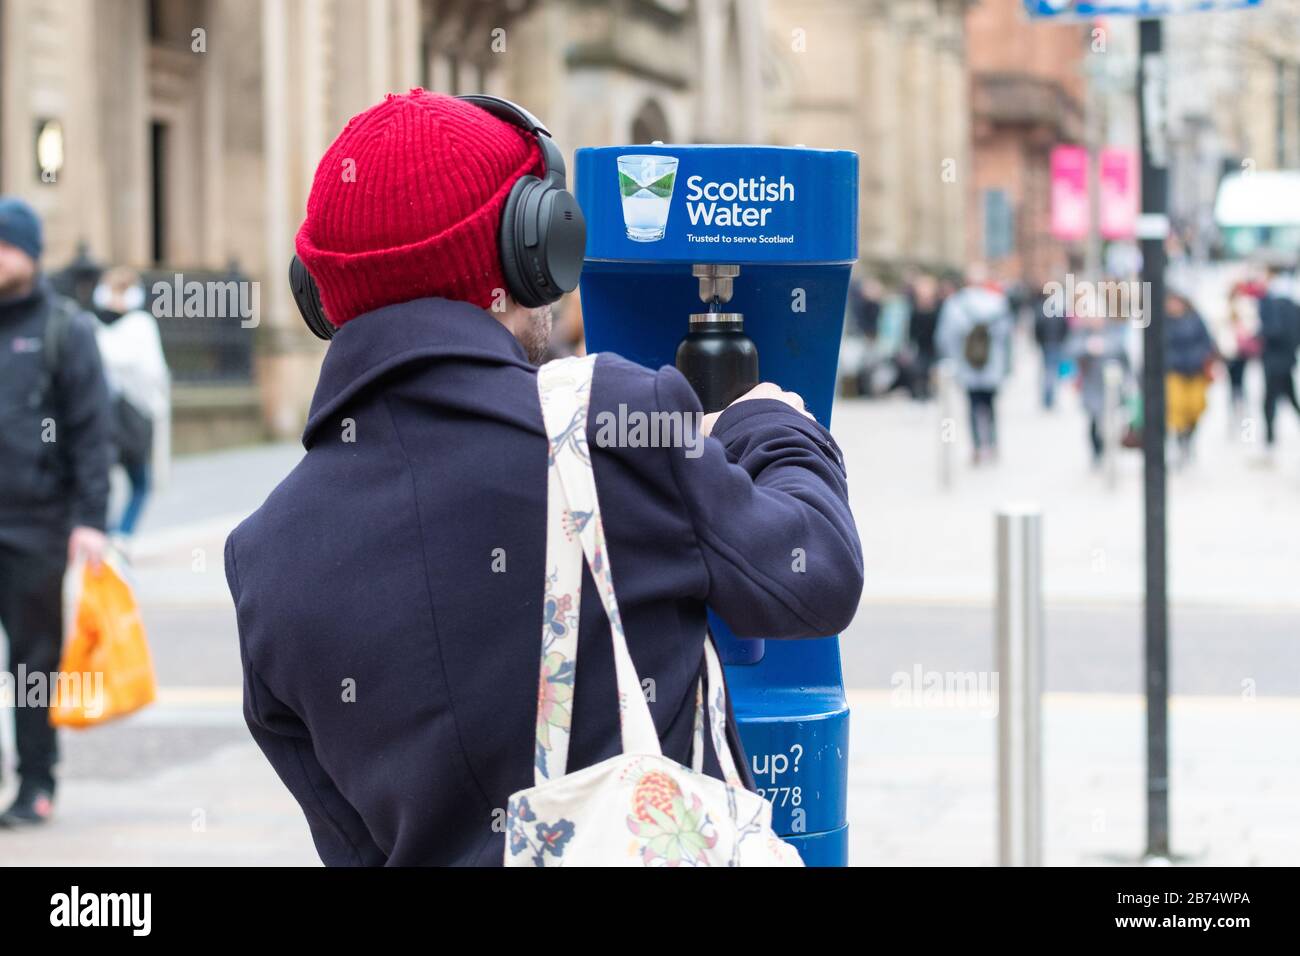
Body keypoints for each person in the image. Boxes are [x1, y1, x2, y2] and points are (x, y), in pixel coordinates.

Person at [225, 91, 864, 866]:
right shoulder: (609, 421)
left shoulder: (264, 554)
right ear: (527, 248)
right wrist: (767, 422)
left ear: (319, 291)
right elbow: (817, 575)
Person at [0, 196, 111, 827]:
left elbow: (90, 433)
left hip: (36, 526)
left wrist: (90, 519)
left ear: (31, 252)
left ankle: (36, 782)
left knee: (32, 663)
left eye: (5, 245)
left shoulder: (63, 328)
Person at [92, 266, 171, 539]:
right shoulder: (141, 325)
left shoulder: (92, 327)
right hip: (134, 418)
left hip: (100, 420)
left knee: (102, 482)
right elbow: (154, 373)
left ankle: (107, 534)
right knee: (140, 483)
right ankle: (119, 536)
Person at [936, 264, 1014, 464]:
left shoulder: (955, 303)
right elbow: (1007, 338)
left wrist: (951, 362)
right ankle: (994, 443)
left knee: (972, 406)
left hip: (967, 366)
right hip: (992, 365)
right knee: (991, 406)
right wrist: (1007, 366)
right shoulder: (998, 302)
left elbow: (945, 338)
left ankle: (978, 447)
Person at [1066, 300, 1129, 466]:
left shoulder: (1113, 332)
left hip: (1111, 385)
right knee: (1093, 419)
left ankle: (1110, 448)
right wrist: (1088, 348)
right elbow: (1071, 351)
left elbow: (1123, 356)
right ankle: (1097, 452)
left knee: (1112, 419)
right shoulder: (1081, 334)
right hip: (1091, 384)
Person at [1163, 291, 1216, 466]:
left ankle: (1189, 437)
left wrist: (1200, 356)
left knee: (1196, 406)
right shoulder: (1164, 322)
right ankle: (1180, 439)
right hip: (1175, 371)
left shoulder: (1194, 319)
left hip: (1195, 370)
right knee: (1176, 407)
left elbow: (1208, 341)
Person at [1256, 265, 1300, 462]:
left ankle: (1269, 441)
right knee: (1288, 399)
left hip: (1274, 360)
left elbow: (1274, 330)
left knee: (1270, 402)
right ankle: (1269, 441)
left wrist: (1257, 332)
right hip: (1287, 359)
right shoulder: (1293, 304)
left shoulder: (1271, 303)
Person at [1033, 281, 1070, 410]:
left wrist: (1038, 341)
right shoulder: (1059, 309)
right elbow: (1065, 327)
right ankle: (1049, 398)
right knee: (1052, 371)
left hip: (1047, 343)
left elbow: (1037, 327)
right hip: (1055, 342)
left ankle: (1047, 398)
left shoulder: (1043, 308)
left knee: (1049, 370)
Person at [904, 273, 941, 400]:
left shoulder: (938, 306)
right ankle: (921, 391)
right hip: (921, 344)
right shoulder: (914, 307)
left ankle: (931, 390)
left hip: (935, 343)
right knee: (921, 367)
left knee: (933, 368)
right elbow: (911, 328)